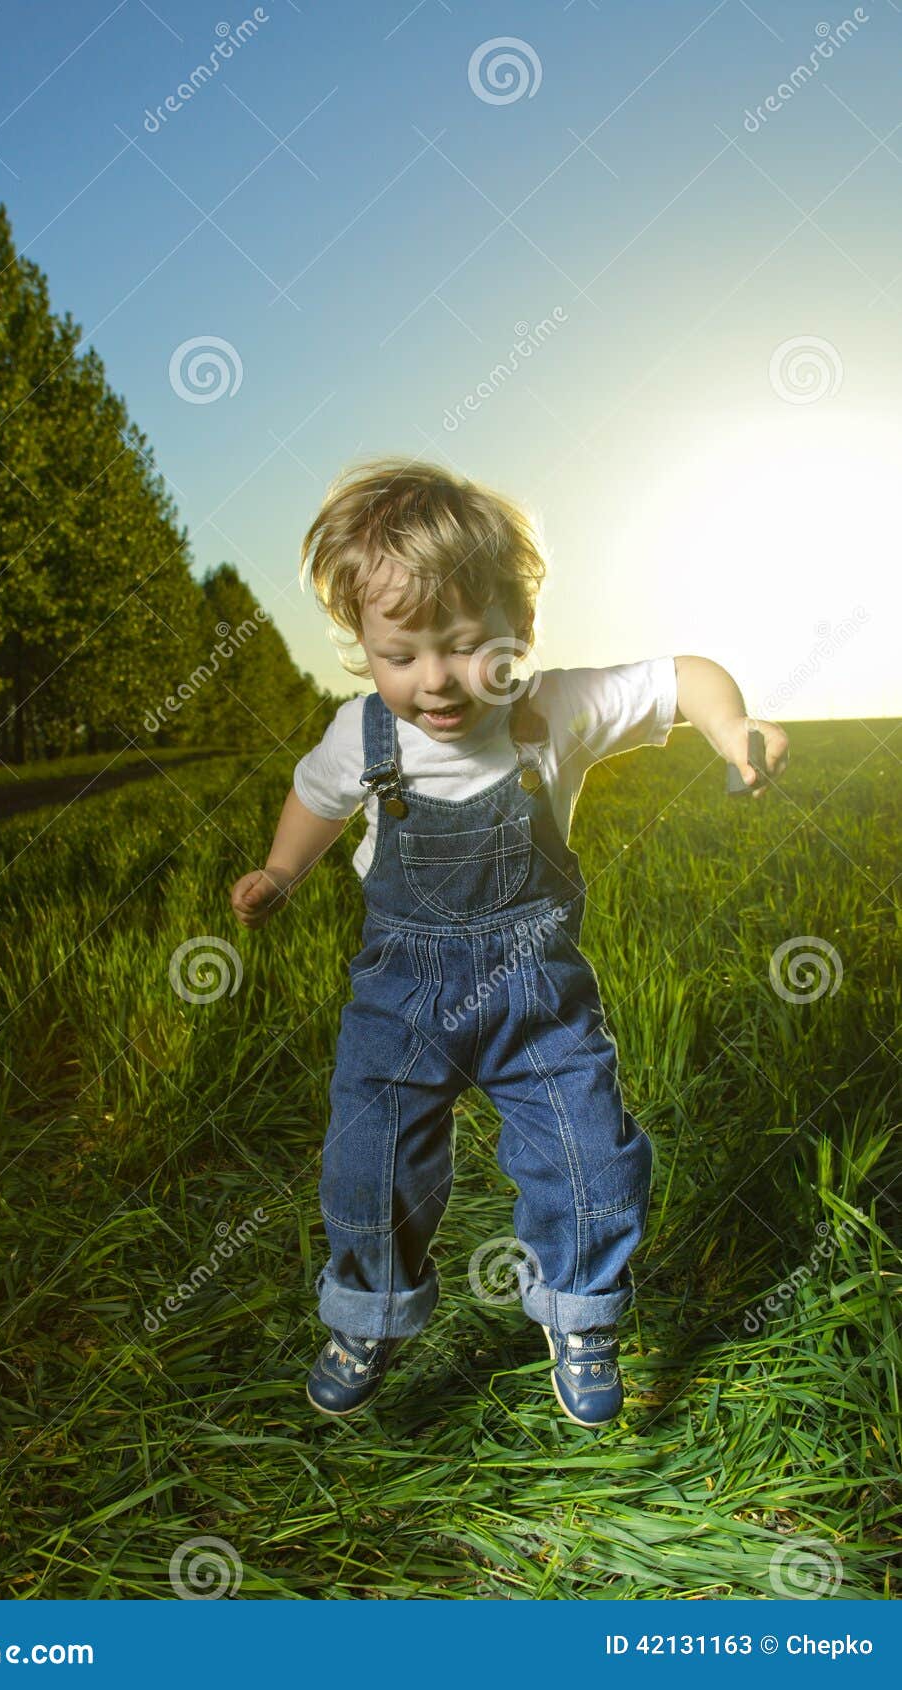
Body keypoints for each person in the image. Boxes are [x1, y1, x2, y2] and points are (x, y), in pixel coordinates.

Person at [229, 458, 789, 1428]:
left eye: (465, 645)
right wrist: (281, 871)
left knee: (590, 1156)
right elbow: (316, 800)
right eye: (402, 654)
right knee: (369, 1159)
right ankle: (368, 1312)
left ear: (520, 627)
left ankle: (581, 1313)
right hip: (400, 1001)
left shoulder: (553, 713)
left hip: (541, 1003)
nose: (436, 680)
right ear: (362, 643)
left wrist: (732, 725)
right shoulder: (362, 737)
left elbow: (683, 677)